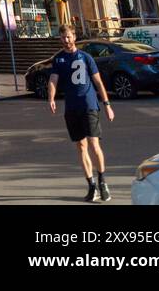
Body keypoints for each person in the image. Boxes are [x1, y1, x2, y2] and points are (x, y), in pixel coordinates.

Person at [47, 23, 114, 203]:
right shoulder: (58, 59)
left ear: (74, 37)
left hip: (89, 105)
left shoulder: (85, 57)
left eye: (68, 37)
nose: (66, 40)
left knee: (94, 145)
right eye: (62, 37)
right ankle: (91, 186)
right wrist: (51, 98)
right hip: (71, 108)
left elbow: (98, 83)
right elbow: (53, 80)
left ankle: (102, 182)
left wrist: (107, 104)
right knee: (81, 147)